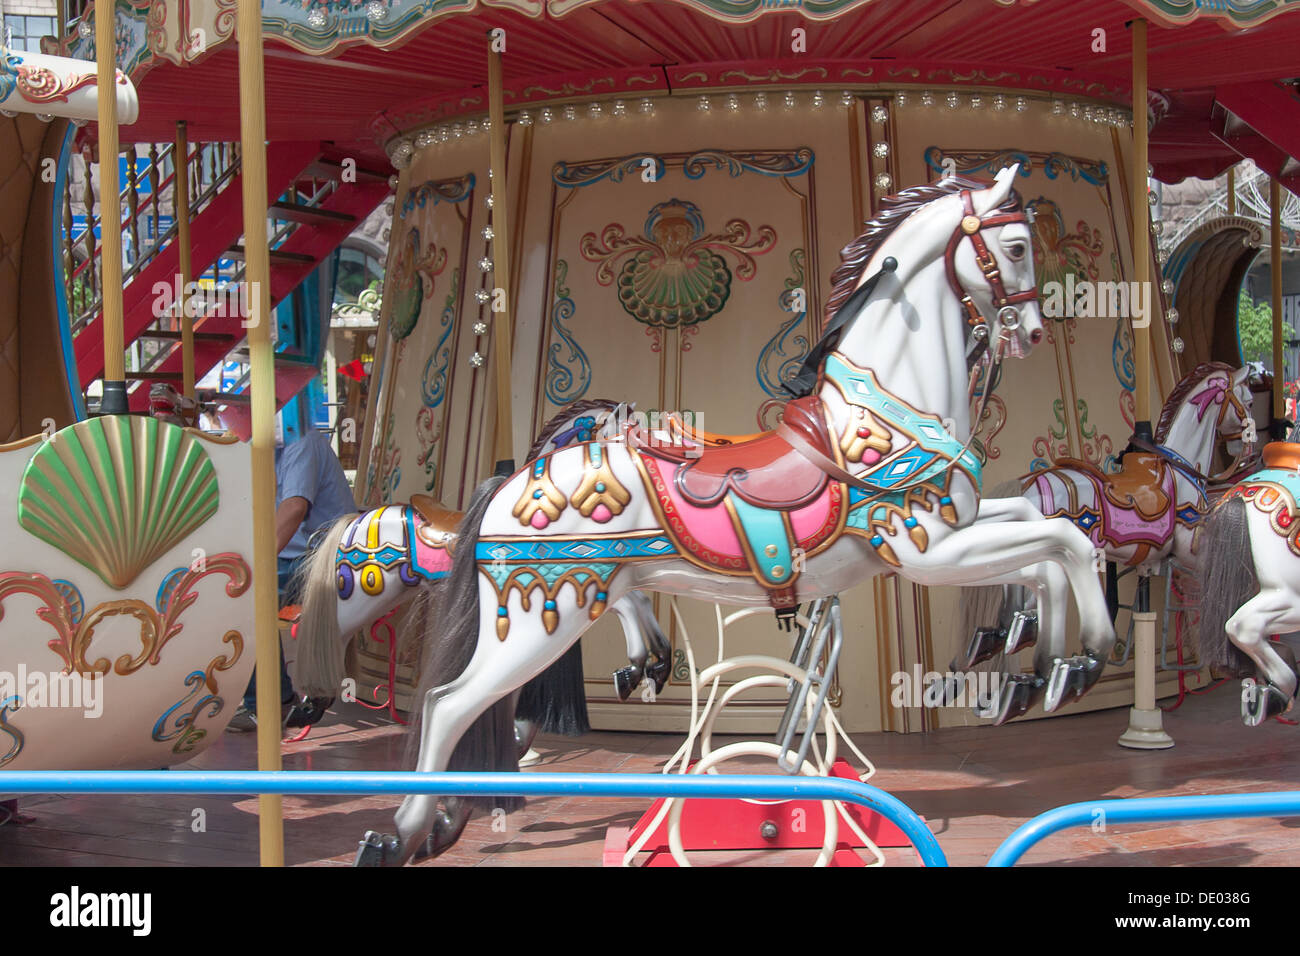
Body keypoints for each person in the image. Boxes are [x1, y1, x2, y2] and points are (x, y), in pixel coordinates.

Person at [227, 427, 358, 732]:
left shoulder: (301, 442)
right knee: (232, 594)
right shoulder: (260, 446)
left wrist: (253, 564)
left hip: (324, 556)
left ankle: (266, 703)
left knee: (245, 601)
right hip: (296, 554)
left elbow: (294, 507)